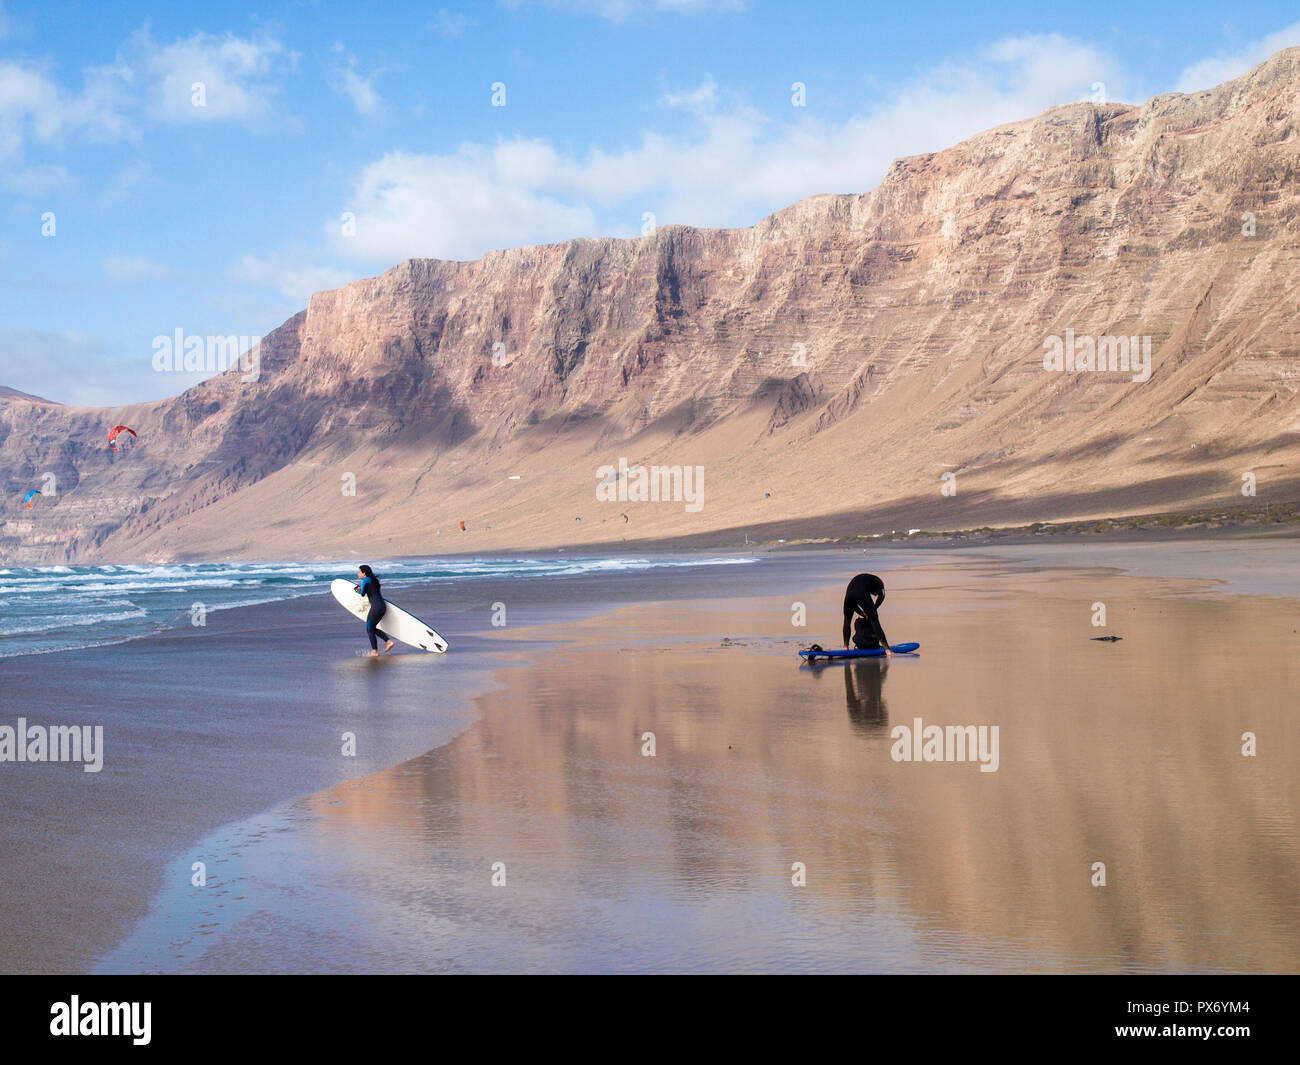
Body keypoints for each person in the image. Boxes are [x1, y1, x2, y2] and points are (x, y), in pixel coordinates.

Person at [842, 572, 892, 656]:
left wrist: (862, 613)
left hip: (849, 593)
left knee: (847, 620)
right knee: (874, 620)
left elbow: (854, 605)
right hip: (860, 592)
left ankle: (845, 647)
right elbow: (882, 596)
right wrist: (874, 609)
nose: (875, 595)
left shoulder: (867, 580)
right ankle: (887, 650)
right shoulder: (880, 583)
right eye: (875, 594)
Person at [354, 565, 395, 656]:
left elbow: (362, 593)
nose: (358, 574)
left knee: (369, 628)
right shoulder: (373, 580)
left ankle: (375, 651)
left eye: (359, 572)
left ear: (364, 573)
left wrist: (357, 589)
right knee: (371, 627)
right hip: (381, 606)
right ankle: (388, 642)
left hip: (376, 607)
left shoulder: (365, 580)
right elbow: (369, 590)